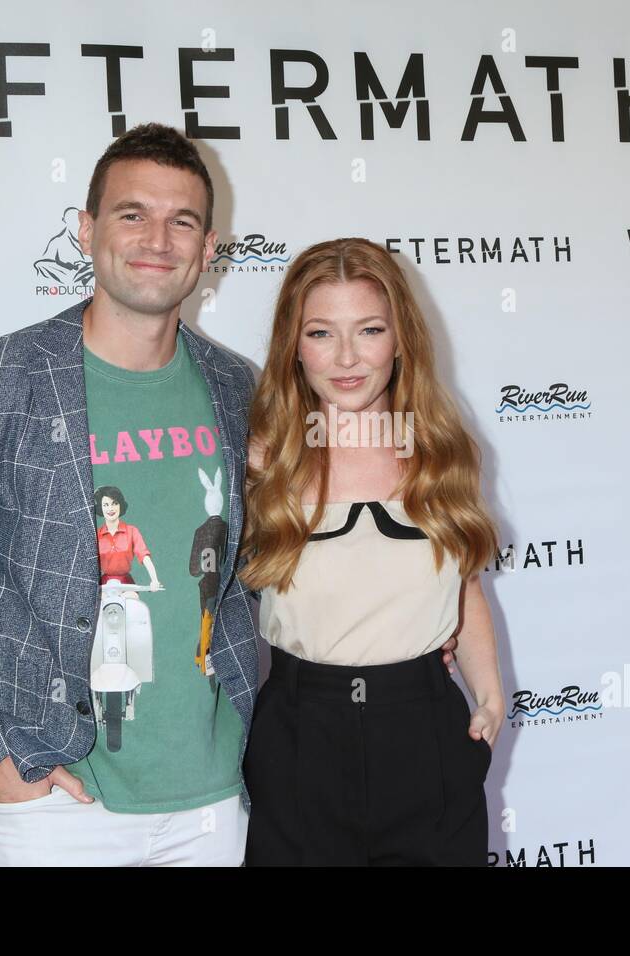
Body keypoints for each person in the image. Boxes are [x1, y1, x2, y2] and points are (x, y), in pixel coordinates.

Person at [0, 122, 260, 866]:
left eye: (183, 221)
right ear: (86, 230)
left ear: (210, 249)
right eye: (131, 213)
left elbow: (250, 573)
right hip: (54, 799)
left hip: (211, 797)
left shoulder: (235, 386)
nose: (158, 239)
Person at [238, 237, 505, 866]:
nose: (348, 357)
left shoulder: (439, 455)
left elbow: (465, 586)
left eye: (370, 330)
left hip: (425, 736)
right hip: (299, 735)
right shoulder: (262, 459)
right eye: (322, 334)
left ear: (400, 337)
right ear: (294, 347)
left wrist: (490, 697)